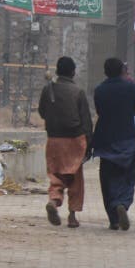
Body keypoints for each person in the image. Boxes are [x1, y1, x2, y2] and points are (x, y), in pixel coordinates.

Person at [37, 56, 93, 228]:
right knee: (75, 179)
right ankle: (72, 216)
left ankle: (54, 201)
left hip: (54, 140)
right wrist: (89, 144)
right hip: (75, 141)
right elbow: (86, 122)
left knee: (55, 175)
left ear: (57, 71)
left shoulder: (49, 90)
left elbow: (42, 112)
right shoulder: (78, 92)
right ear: (73, 72)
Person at [92, 58, 135, 231]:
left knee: (107, 179)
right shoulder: (131, 87)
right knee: (128, 176)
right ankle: (123, 203)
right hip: (126, 138)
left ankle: (113, 218)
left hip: (105, 139)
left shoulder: (99, 90)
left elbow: (99, 111)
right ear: (122, 70)